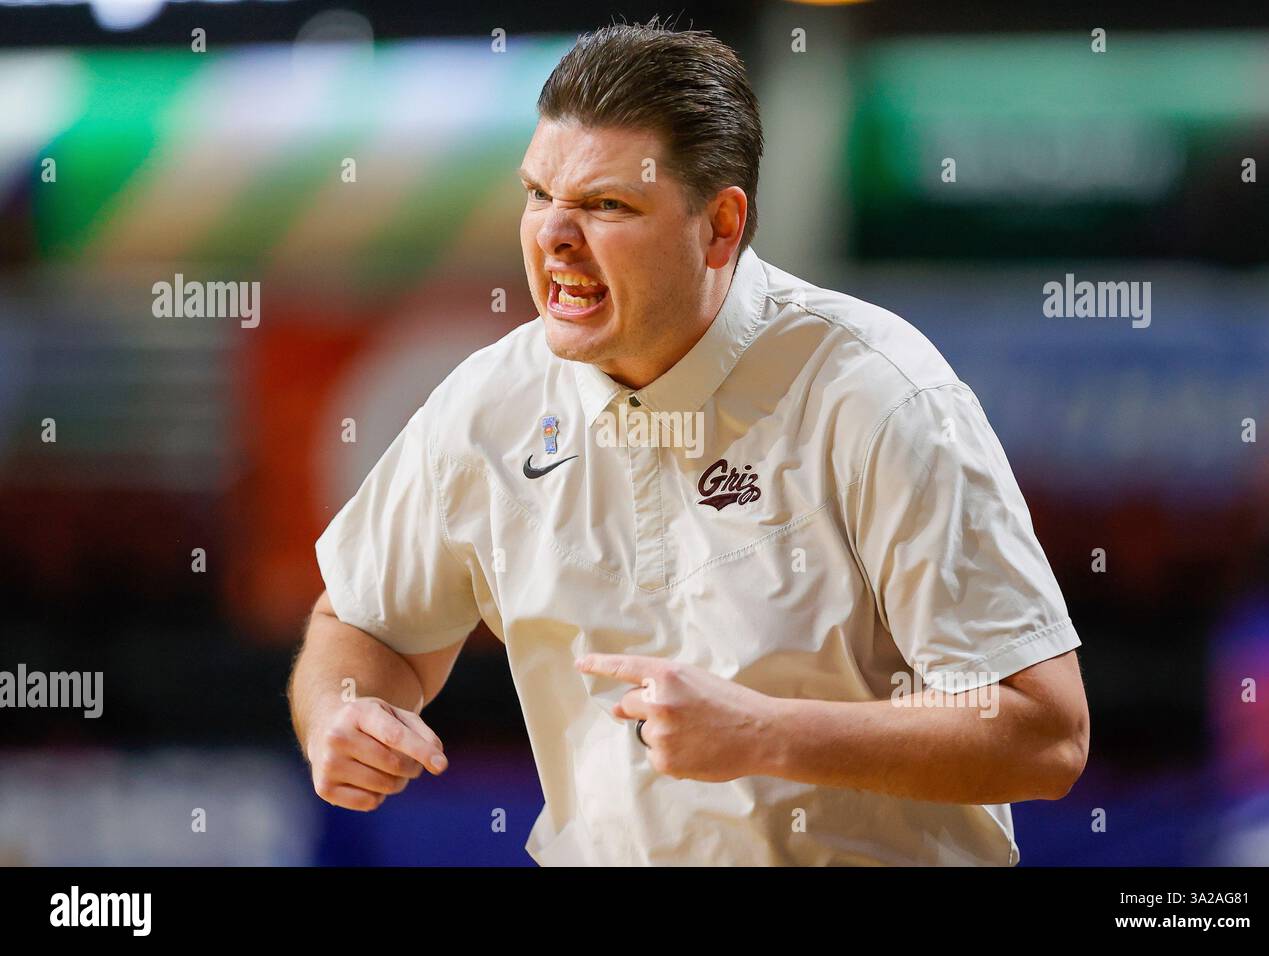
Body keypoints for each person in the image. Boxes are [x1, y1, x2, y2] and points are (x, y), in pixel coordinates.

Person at [288, 18, 1089, 866]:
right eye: (537, 195)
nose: (554, 238)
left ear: (719, 226)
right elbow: (360, 622)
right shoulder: (492, 402)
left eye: (605, 205)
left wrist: (767, 732)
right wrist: (342, 711)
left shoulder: (878, 393)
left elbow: (1042, 733)